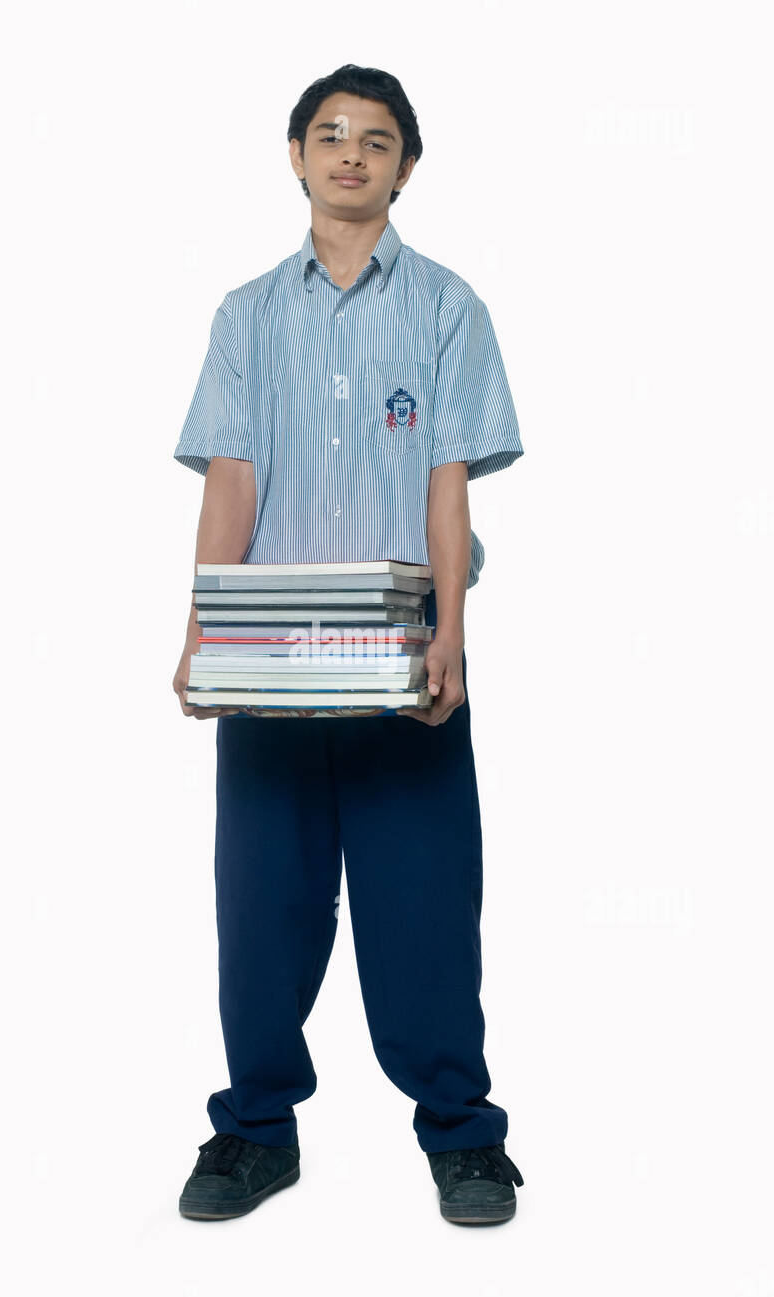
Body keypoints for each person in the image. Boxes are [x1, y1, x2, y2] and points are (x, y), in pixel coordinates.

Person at [171, 64, 526, 1225]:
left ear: (404, 166)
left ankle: (461, 1135)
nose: (350, 155)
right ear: (294, 155)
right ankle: (253, 1130)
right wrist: (198, 627)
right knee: (260, 906)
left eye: (375, 141)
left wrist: (451, 641)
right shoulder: (246, 315)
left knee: (422, 902)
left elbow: (445, 485)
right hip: (271, 657)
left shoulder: (443, 308)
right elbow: (232, 476)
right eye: (328, 135)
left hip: (399, 654)